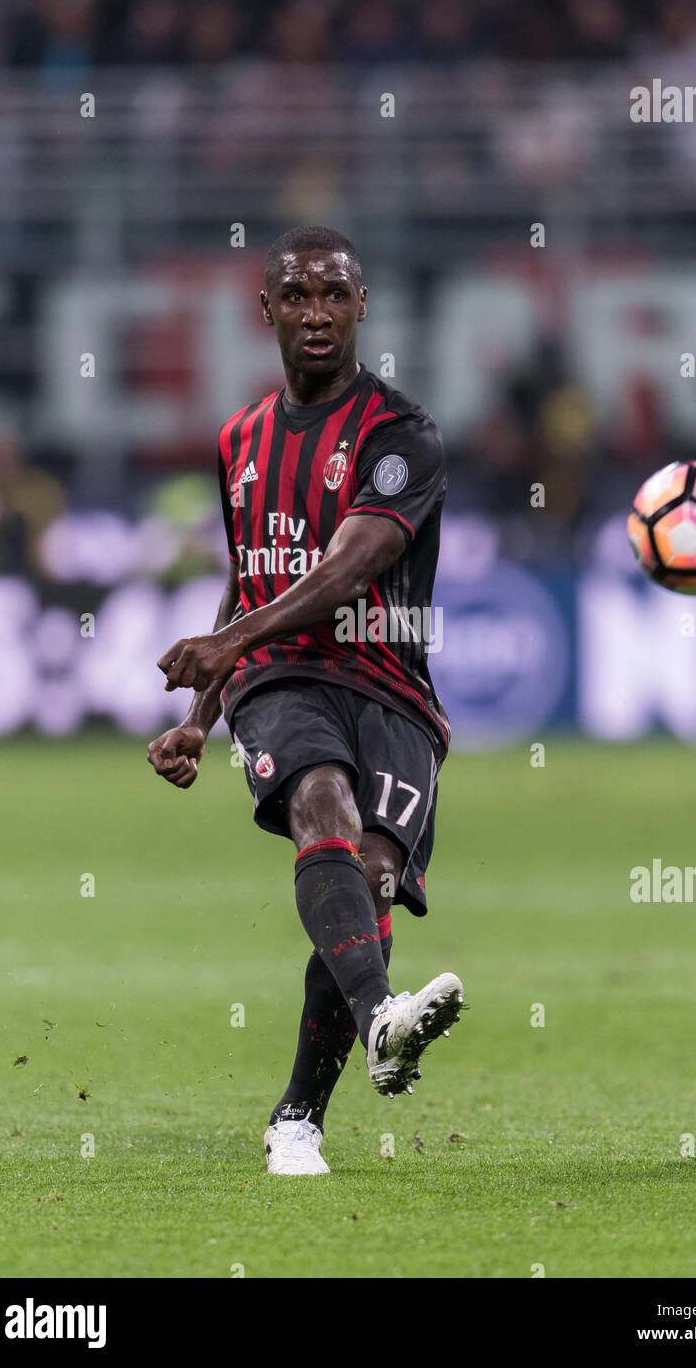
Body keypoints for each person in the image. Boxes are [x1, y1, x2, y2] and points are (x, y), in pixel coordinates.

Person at [147, 226, 463, 1175]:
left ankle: (296, 1116)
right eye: (297, 296)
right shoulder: (239, 439)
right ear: (267, 311)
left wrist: (226, 641)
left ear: (362, 306)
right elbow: (252, 576)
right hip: (282, 676)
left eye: (334, 294)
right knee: (319, 798)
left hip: (394, 688)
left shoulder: (400, 435)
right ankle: (382, 1019)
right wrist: (203, 715)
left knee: (365, 882)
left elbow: (354, 559)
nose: (316, 312)